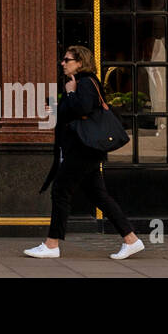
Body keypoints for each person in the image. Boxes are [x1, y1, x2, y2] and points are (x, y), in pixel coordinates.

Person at [25, 44, 145, 260]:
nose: (62, 63)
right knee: (98, 195)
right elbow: (70, 113)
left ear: (80, 62)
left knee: (61, 191)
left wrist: (70, 95)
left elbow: (83, 109)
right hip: (85, 149)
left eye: (67, 60)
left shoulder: (86, 83)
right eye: (63, 60)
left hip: (84, 149)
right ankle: (131, 239)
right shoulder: (76, 83)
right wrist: (56, 106)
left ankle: (51, 245)